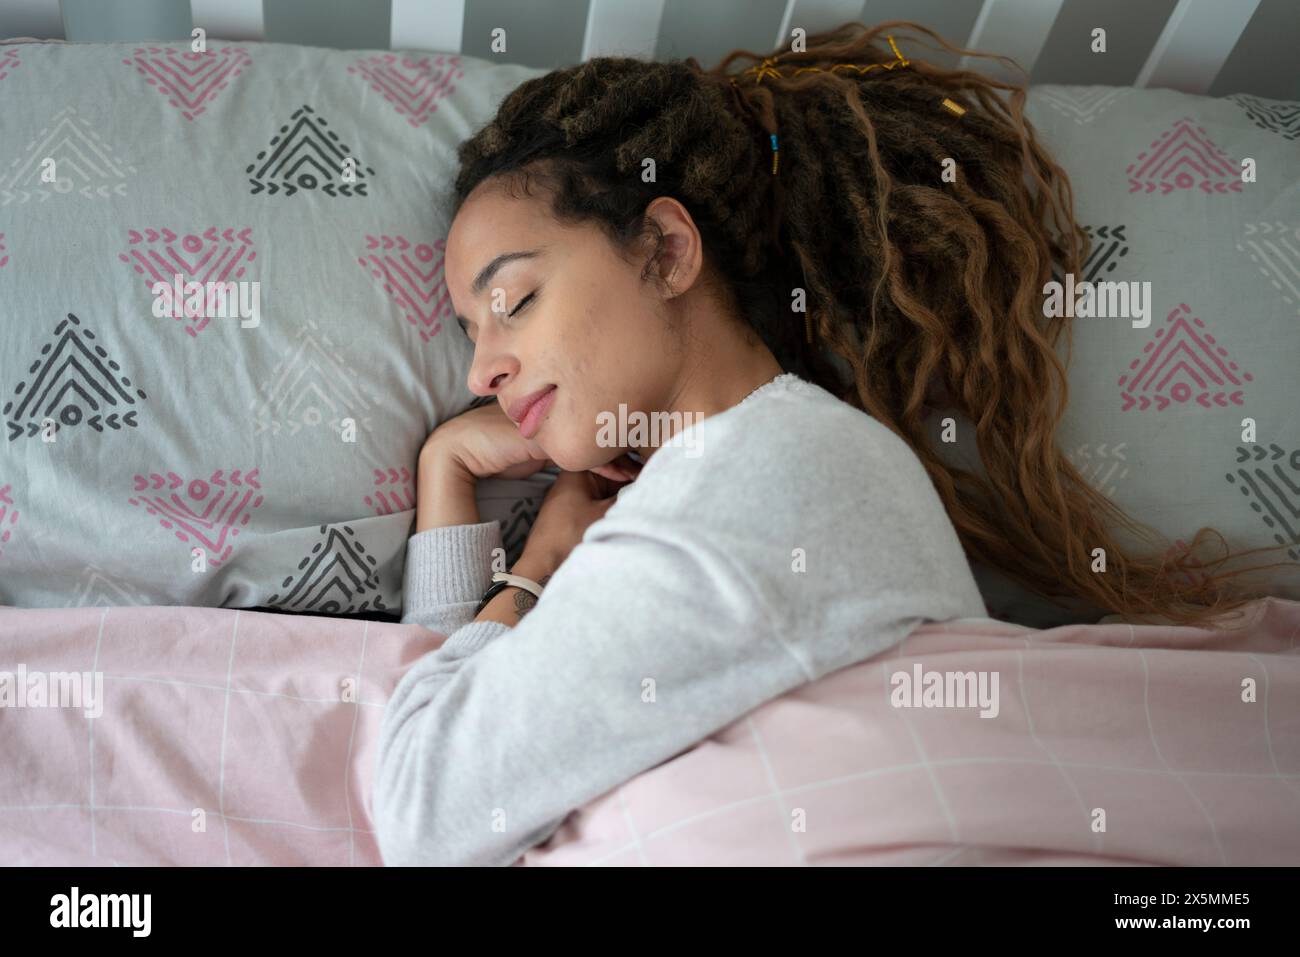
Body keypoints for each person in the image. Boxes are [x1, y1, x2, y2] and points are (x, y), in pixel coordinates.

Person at [372, 21, 1285, 867]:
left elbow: (419, 805)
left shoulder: (753, 489)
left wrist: (535, 567)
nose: (480, 371)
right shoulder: (777, 463)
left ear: (666, 251)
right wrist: (447, 471)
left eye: (515, 301)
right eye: (468, 332)